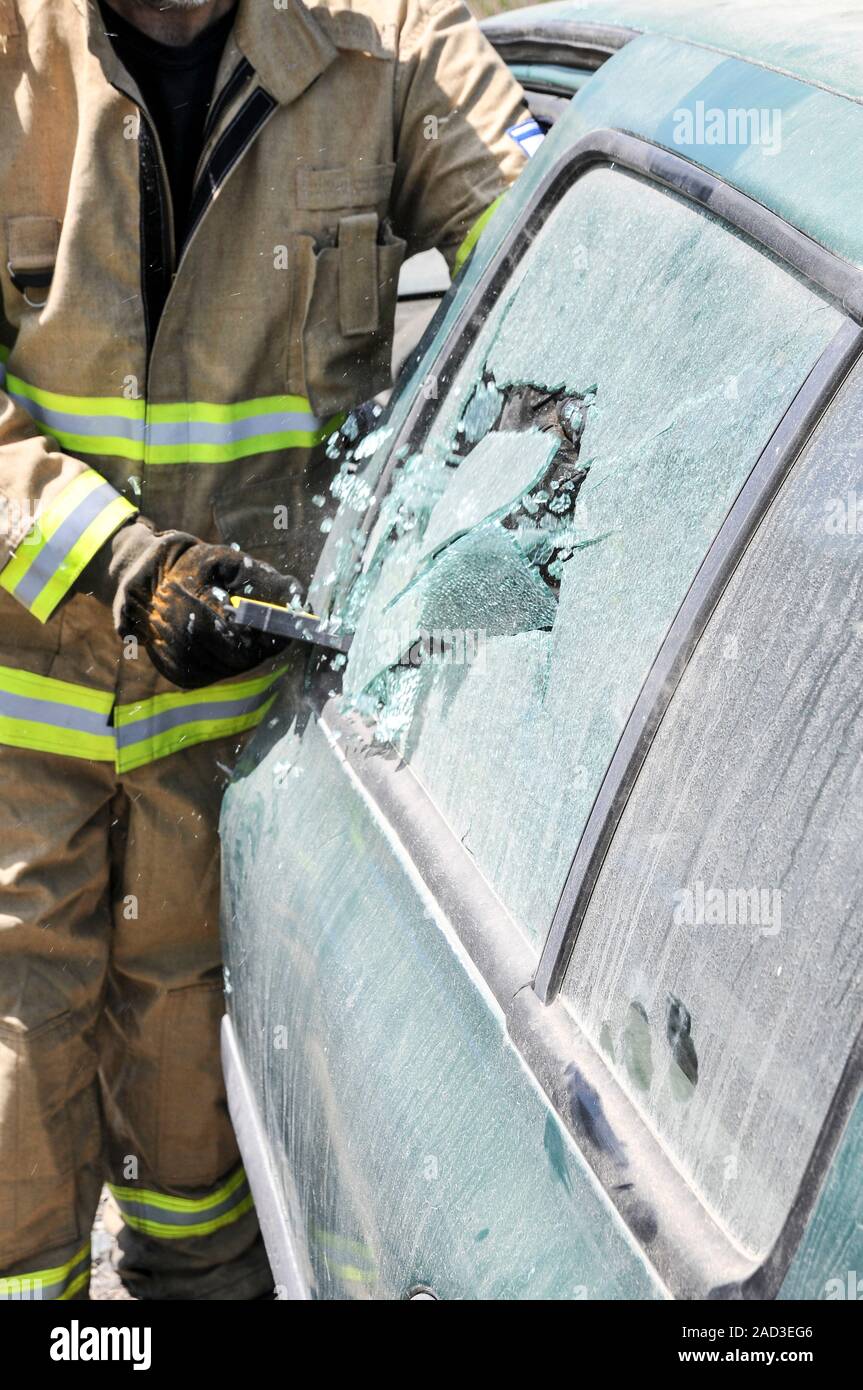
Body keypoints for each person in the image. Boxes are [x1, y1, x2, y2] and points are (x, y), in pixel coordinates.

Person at [0, 0, 531, 1299]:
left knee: (208, 1202)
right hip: (18, 769)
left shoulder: (388, 49)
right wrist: (124, 564)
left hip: (243, 793)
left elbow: (550, 252)